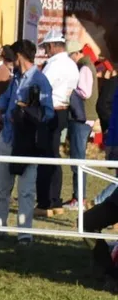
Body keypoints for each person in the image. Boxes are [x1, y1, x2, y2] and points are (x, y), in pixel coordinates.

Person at [0, 40, 53, 244]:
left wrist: (25, 112)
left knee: (26, 190)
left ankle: (24, 234)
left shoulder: (40, 81)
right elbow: (6, 98)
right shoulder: (16, 78)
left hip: (27, 142)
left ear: (19, 56)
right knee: (1, 186)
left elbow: (48, 113)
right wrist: (0, 110)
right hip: (7, 138)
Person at [36, 30, 78, 216]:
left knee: (45, 156)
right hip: (63, 110)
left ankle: (46, 202)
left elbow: (42, 86)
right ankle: (55, 200)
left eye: (46, 47)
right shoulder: (71, 64)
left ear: (53, 46)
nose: (45, 51)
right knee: (53, 155)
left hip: (49, 111)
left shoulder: (53, 65)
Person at [65, 39, 95, 209]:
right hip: (84, 118)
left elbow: (85, 92)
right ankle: (78, 197)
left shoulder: (84, 68)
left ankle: (79, 199)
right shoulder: (87, 66)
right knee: (78, 160)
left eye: (71, 56)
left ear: (76, 54)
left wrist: (70, 89)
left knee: (78, 161)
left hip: (81, 119)